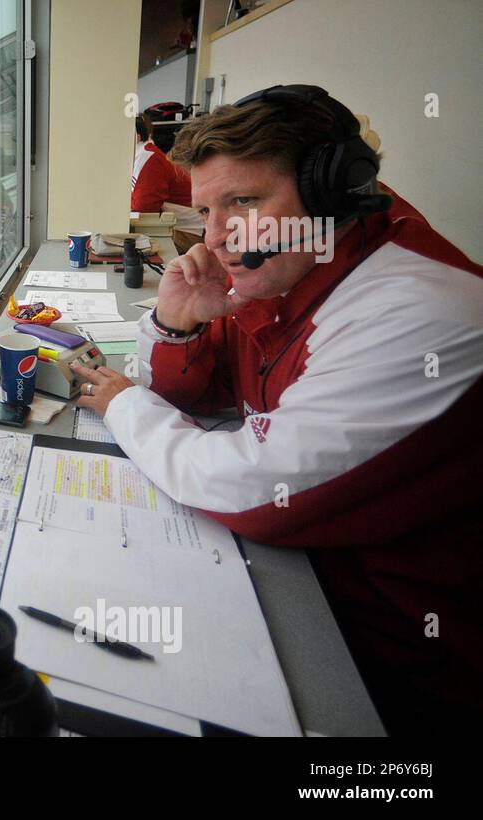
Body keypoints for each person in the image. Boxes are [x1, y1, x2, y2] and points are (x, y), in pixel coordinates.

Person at [73, 85, 483, 735]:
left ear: (333, 189)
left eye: (243, 201)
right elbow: (197, 393)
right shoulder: (291, 263)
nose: (217, 238)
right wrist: (174, 324)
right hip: (315, 594)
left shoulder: (418, 309)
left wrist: (126, 407)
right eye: (207, 211)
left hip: (409, 681)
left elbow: (250, 485)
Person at [132, 113, 202, 254]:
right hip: (178, 226)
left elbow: (144, 208)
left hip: (188, 232)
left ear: (137, 137)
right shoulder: (144, 154)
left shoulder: (148, 158)